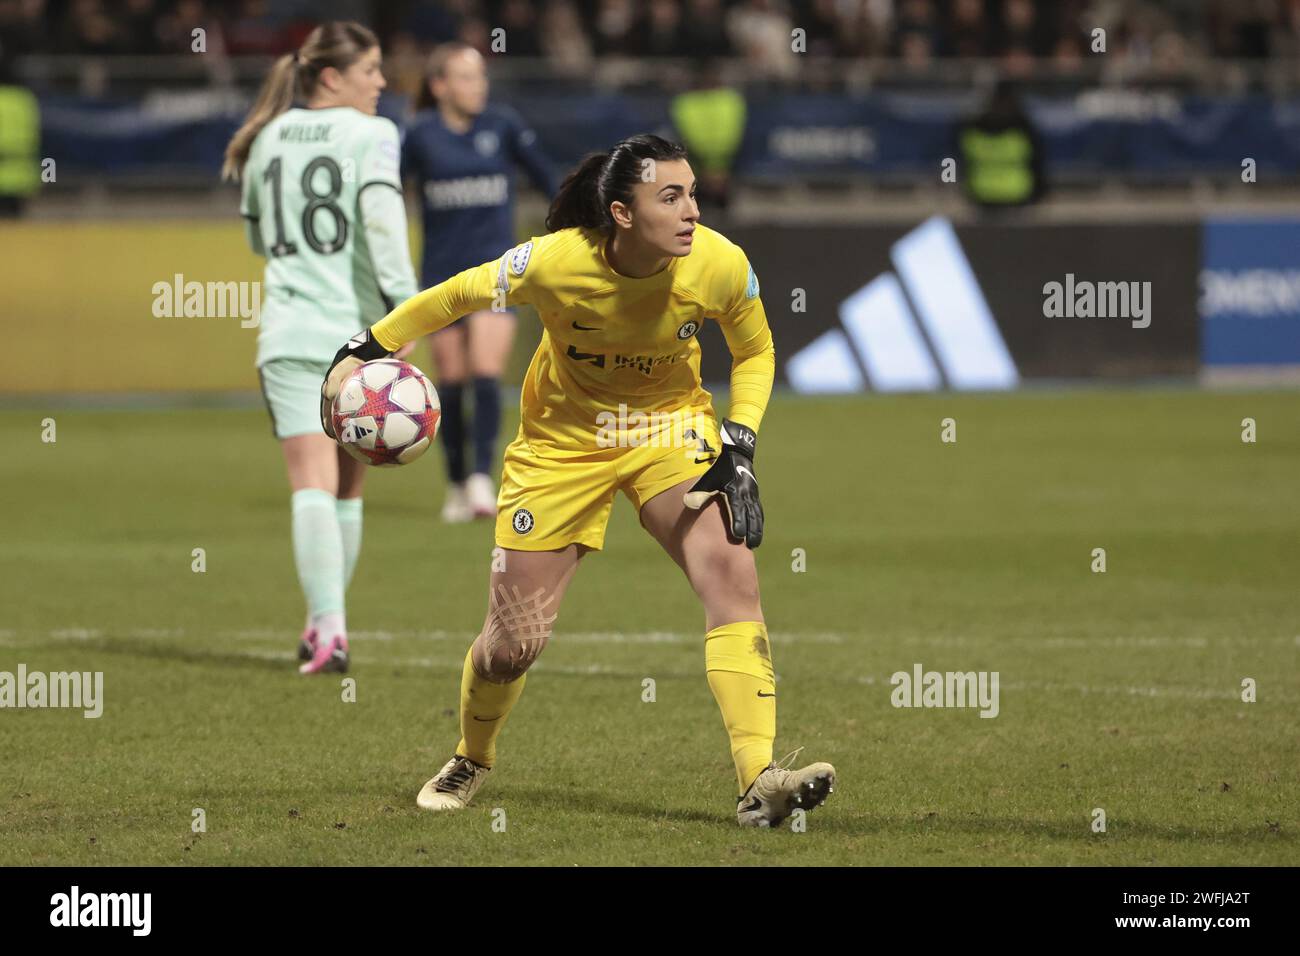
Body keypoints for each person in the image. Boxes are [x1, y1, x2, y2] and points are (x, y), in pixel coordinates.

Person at [322, 134, 836, 828]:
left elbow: (756, 349)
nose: (691, 210)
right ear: (622, 214)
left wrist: (739, 442)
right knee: (512, 648)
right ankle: (473, 756)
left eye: (690, 193)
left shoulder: (719, 262)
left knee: (732, 575)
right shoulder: (556, 261)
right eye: (670, 197)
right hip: (562, 447)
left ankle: (758, 780)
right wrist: (368, 346)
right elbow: (457, 294)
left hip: (667, 431)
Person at [223, 21, 418, 675]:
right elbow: (384, 222)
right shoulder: (374, 134)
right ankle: (326, 626)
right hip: (360, 337)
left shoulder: (267, 135)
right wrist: (406, 310)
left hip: (289, 331)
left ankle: (325, 629)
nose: (382, 84)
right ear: (333, 77)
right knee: (345, 489)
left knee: (310, 483)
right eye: (371, 71)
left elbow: (257, 238)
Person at [402, 41, 557, 522]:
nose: (478, 87)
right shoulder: (420, 135)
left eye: (481, 77)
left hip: (496, 277)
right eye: (466, 78)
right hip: (441, 278)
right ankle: (454, 481)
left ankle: (480, 479)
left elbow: (550, 181)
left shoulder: (503, 125)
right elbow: (387, 195)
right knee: (450, 381)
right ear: (439, 86)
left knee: (486, 373)